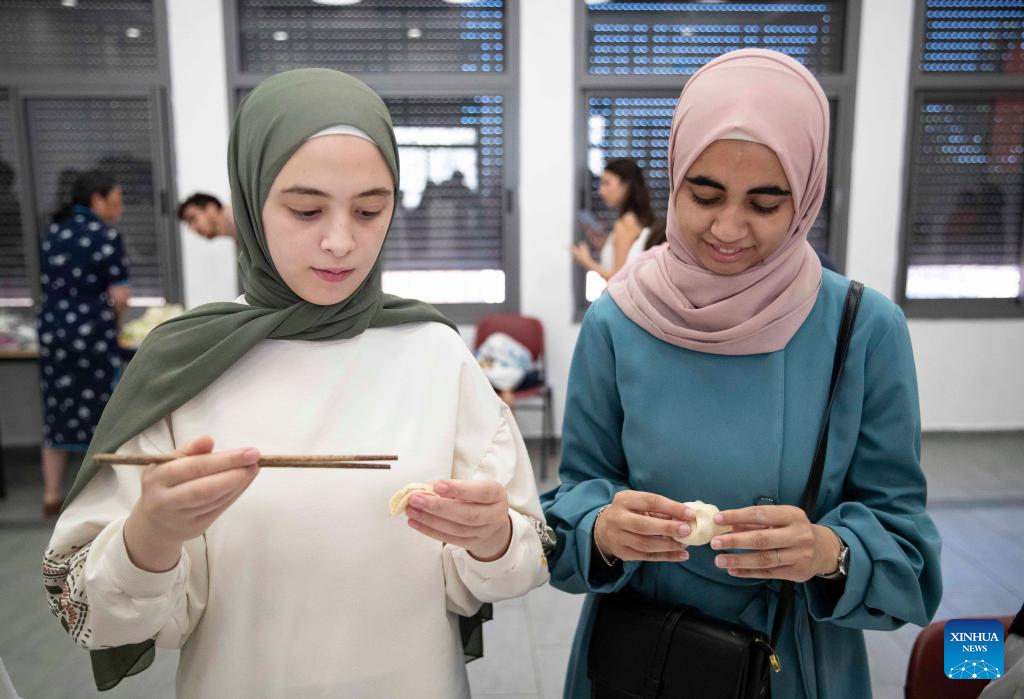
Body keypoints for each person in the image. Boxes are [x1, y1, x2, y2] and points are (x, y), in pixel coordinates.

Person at [42, 69, 549, 698]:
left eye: (370, 209)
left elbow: (519, 561)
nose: (341, 242)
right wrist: (149, 538)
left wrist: (493, 538)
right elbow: (92, 608)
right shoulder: (187, 364)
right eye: (306, 209)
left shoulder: (435, 353)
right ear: (251, 201)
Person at [542, 49, 942, 699]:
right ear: (674, 181)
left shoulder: (863, 330)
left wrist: (827, 550)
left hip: (794, 661)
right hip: (644, 655)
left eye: (765, 202)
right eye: (704, 194)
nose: (728, 228)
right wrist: (603, 529)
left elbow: (909, 553)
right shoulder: (619, 319)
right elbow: (571, 506)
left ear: (806, 198)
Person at [37, 170, 130, 517]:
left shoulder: (53, 233)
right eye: (117, 201)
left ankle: (50, 495)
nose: (119, 209)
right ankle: (101, 499)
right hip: (93, 336)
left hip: (54, 335)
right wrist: (116, 328)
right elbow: (120, 296)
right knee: (105, 417)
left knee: (57, 414)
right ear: (98, 201)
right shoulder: (106, 236)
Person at [571, 158, 656, 281]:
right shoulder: (635, 220)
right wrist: (605, 245)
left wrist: (586, 261)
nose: (601, 191)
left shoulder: (625, 224)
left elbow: (617, 279)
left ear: (625, 186)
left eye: (606, 183)